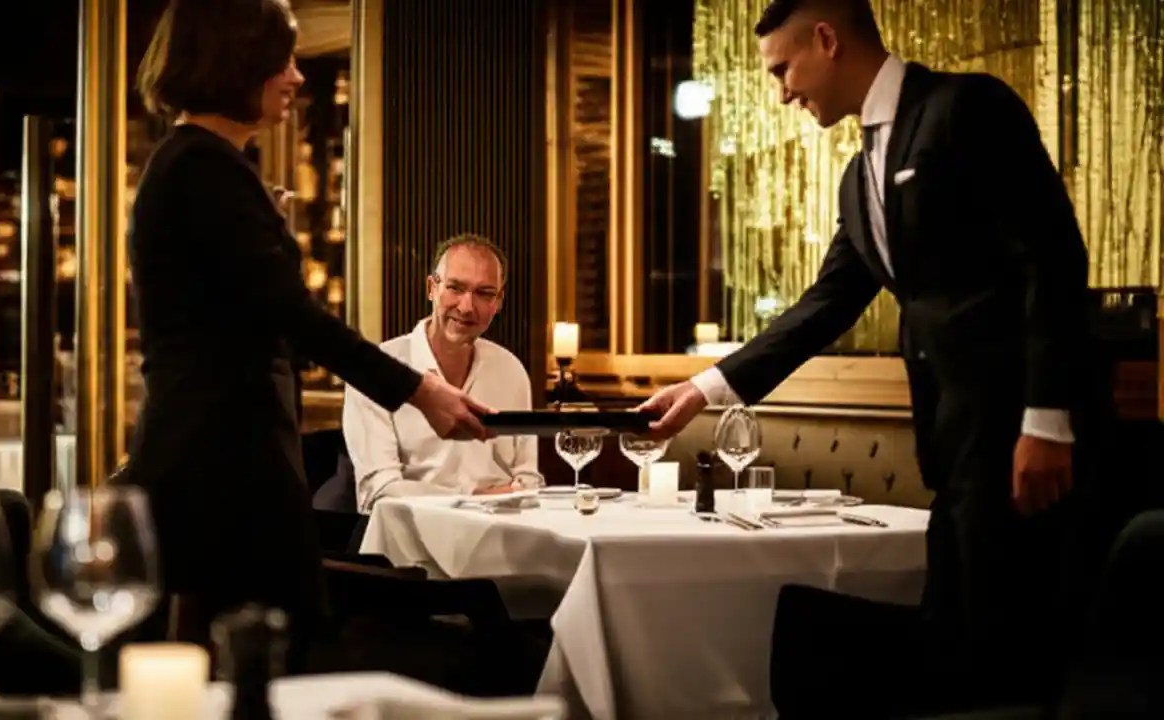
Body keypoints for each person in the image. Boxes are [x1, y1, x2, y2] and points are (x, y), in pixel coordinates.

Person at [638, 0, 1106, 714]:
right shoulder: (860, 177)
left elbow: (1053, 256)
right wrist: (705, 388)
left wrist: (1047, 420)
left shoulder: (964, 108)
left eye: (783, 69)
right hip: (952, 449)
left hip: (1023, 439)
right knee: (956, 651)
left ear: (827, 39)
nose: (781, 93)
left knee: (1019, 659)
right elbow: (825, 305)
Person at [123, 0, 490, 671]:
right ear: (237, 63)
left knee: (221, 664)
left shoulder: (198, 165)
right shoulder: (204, 169)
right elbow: (291, 315)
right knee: (263, 663)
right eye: (283, 60)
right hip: (224, 462)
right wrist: (419, 390)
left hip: (213, 454)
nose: (296, 76)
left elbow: (247, 311)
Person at [343, 234, 542, 513]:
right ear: (431, 288)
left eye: (484, 293)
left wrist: (507, 497)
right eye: (455, 288)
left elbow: (528, 480)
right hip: (414, 535)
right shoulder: (378, 371)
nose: (467, 307)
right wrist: (473, 500)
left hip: (501, 530)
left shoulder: (510, 369)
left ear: (498, 302)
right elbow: (378, 491)